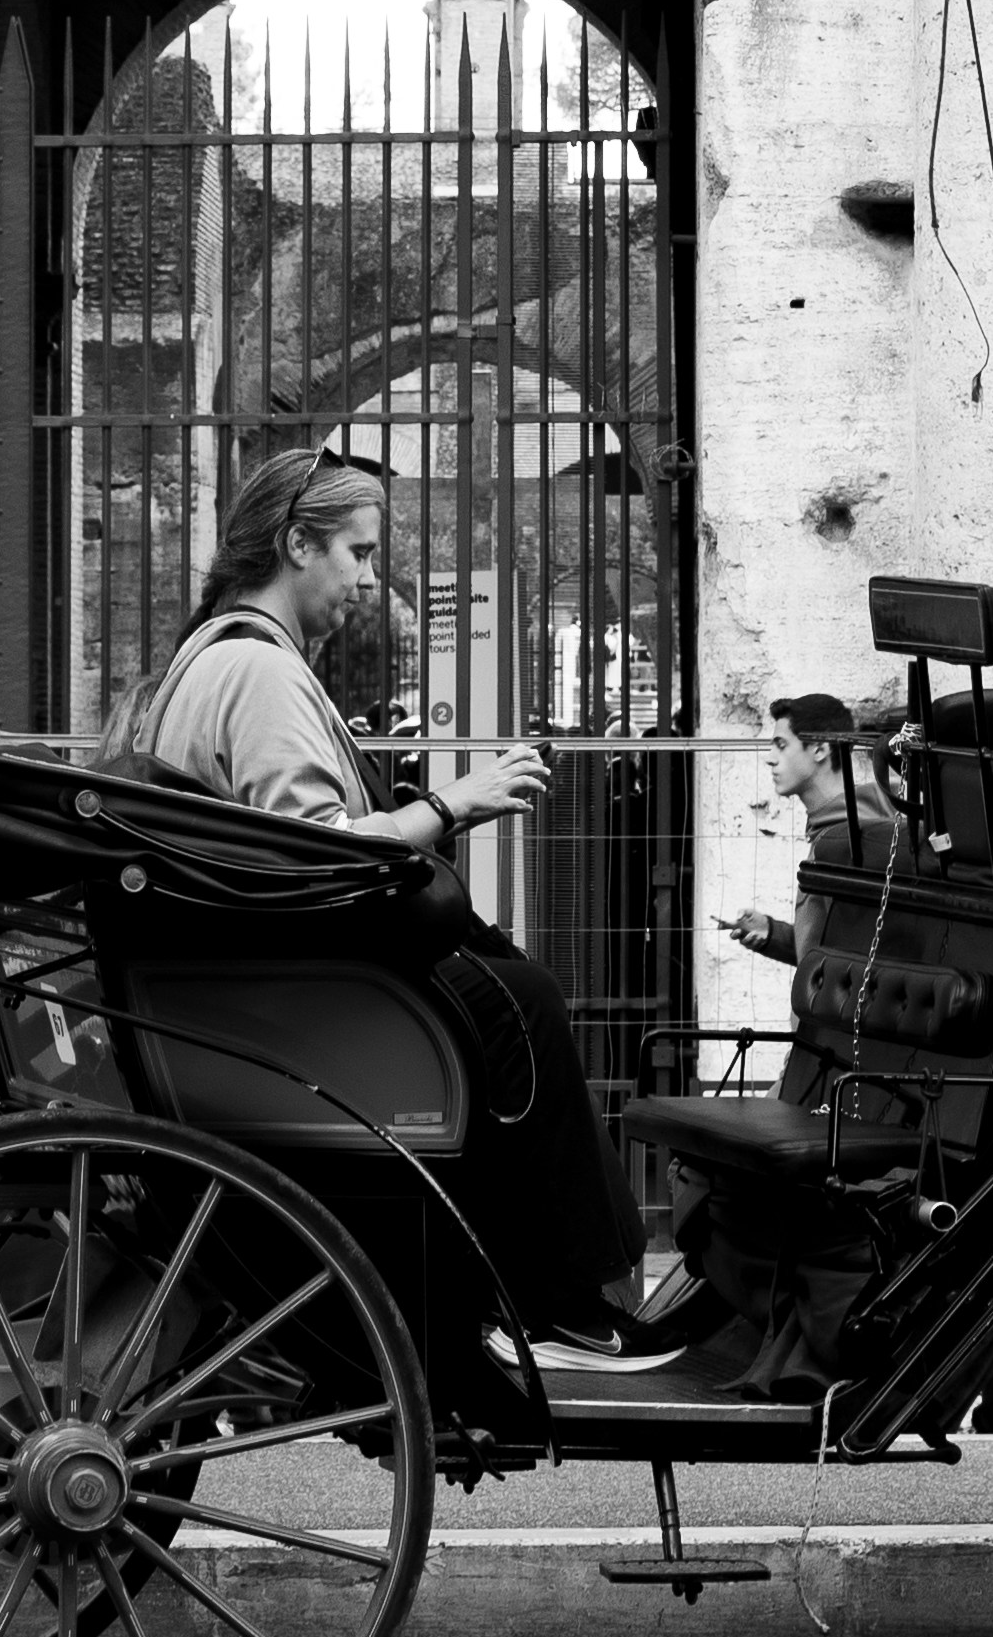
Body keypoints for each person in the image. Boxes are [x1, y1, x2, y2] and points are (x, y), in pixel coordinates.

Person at [111, 446, 650, 1349]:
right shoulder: (257, 670)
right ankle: (559, 1290)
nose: (368, 579)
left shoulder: (213, 656)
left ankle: (532, 1279)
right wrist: (447, 805)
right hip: (293, 993)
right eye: (358, 554)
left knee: (506, 992)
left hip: (237, 977)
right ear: (295, 544)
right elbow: (311, 847)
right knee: (522, 1004)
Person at [714, 693, 899, 968]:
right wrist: (771, 933)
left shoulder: (854, 838)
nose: (770, 758)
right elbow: (831, 951)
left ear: (819, 749)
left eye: (781, 745)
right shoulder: (836, 829)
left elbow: (864, 964)